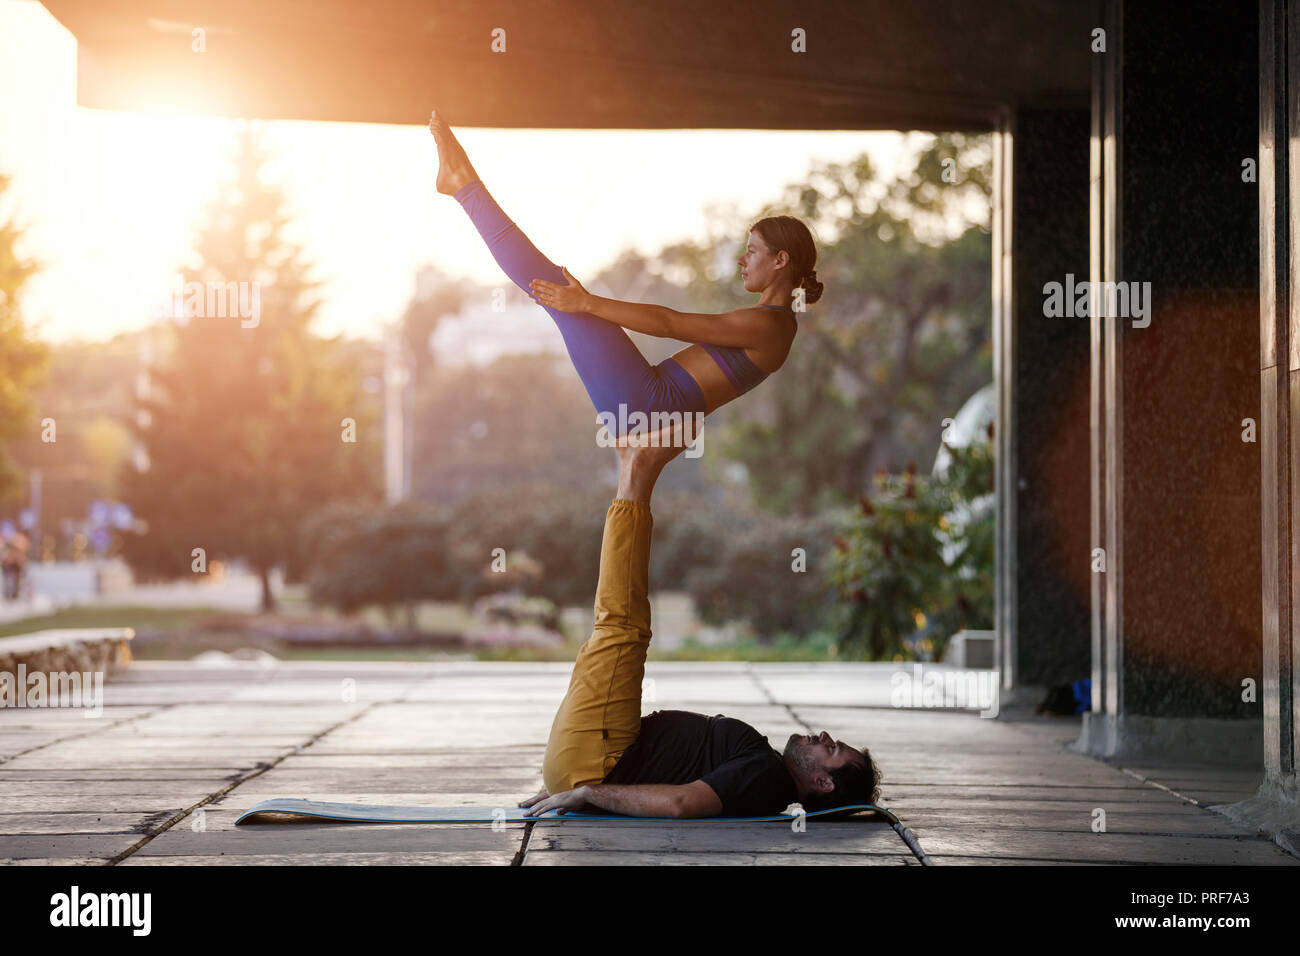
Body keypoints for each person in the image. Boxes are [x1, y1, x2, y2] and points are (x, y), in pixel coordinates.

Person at [519, 424, 881, 818]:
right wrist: (569, 783)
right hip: (593, 756)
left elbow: (681, 804)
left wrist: (586, 791)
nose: (825, 737)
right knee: (618, 625)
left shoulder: (765, 778)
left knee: (622, 625)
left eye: (830, 749)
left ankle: (637, 469)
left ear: (823, 784)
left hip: (599, 759)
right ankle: (632, 464)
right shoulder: (767, 773)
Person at [429, 110, 824, 436]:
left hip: (644, 400)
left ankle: (463, 185)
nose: (742, 260)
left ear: (780, 260)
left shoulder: (769, 326)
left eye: (752, 251)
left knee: (550, 285)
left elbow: (669, 322)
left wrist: (588, 302)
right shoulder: (771, 323)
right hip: (647, 401)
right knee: (552, 288)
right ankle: (463, 184)